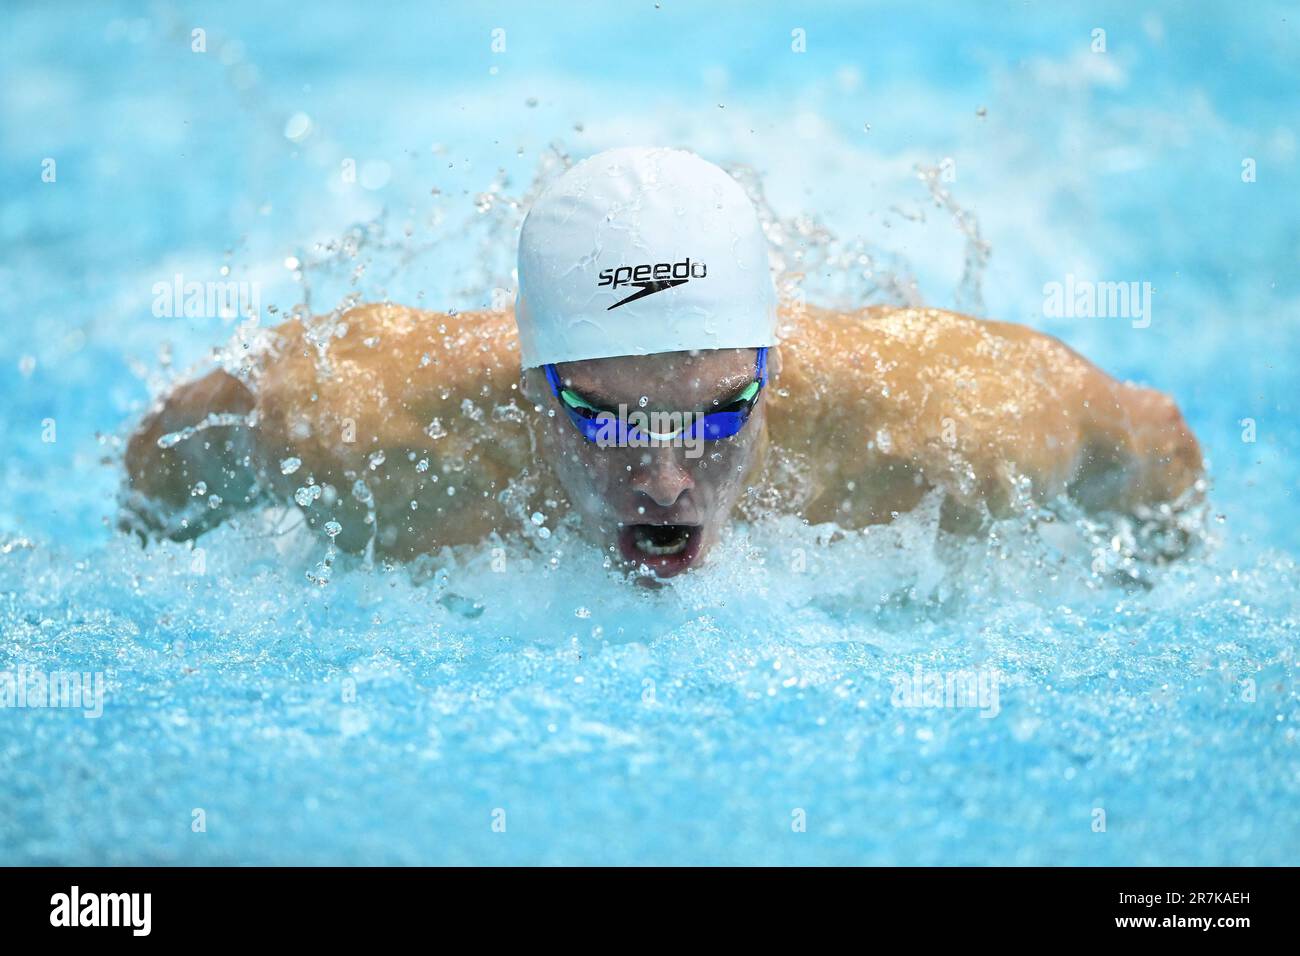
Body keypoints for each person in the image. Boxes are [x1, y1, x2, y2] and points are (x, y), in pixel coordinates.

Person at [122, 147, 1203, 578]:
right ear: (531, 381)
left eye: (720, 409)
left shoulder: (947, 420)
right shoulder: (364, 423)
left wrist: (1151, 577)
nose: (667, 475)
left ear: (770, 368)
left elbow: (1155, 446)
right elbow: (171, 452)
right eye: (605, 414)